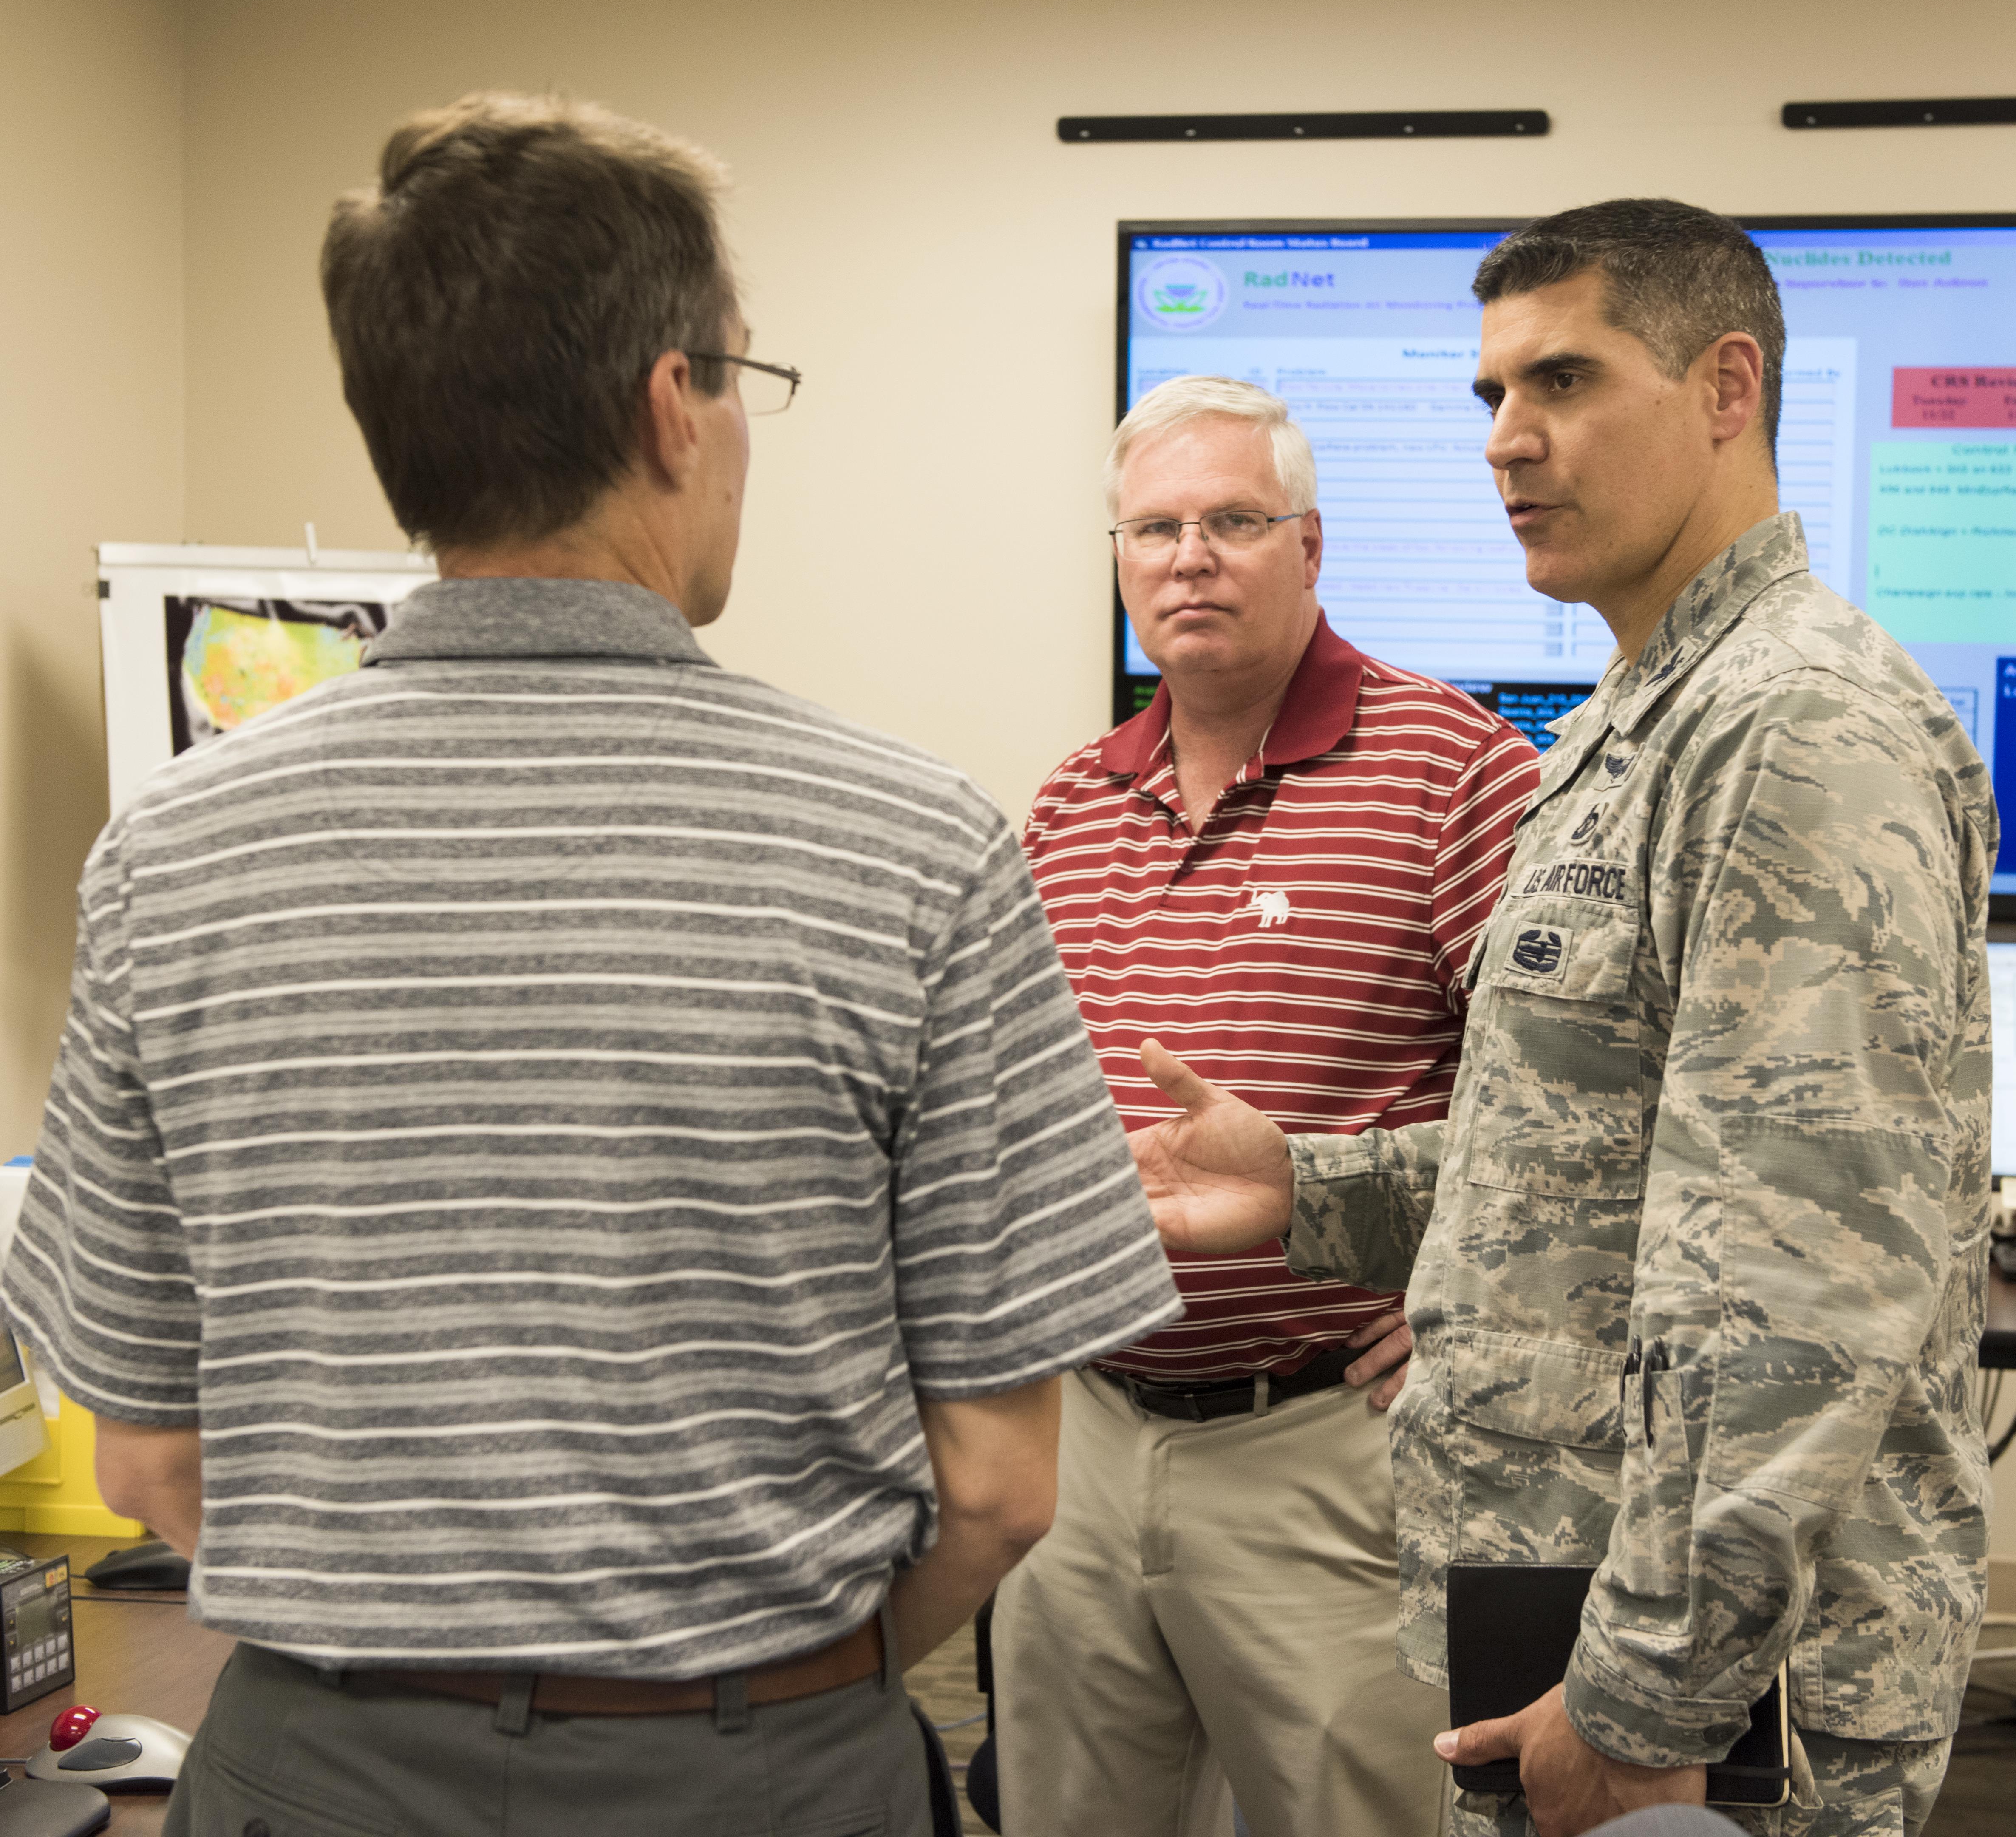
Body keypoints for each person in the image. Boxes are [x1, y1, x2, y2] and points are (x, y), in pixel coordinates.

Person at [0, 92, 1182, 1837]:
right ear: (669, 404)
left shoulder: (170, 856)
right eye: (743, 383)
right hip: (758, 1774)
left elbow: (151, 1458)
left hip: (308, 1774)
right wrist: (771, 1700)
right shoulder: (912, 846)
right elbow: (1000, 1488)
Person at [1122, 202, 1994, 1837]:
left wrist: (1647, 1699)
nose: (1510, 442)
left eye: (1566, 381)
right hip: (1565, 1598)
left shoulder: (1796, 728)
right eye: (1490, 398)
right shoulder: (1636, 717)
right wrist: (1309, 1189)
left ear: (1727, 387)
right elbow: (1602, 1162)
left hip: (1700, 1691)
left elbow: (1797, 1286)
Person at [990, 375, 1542, 1837]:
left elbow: (1577, 1116)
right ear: (1119, 561)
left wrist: (1466, 1295)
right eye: (1155, 528)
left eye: (1233, 520)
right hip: (1088, 1435)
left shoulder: (1458, 773)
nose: (1190, 557)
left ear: (1310, 547)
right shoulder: (1065, 807)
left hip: (1322, 1448)